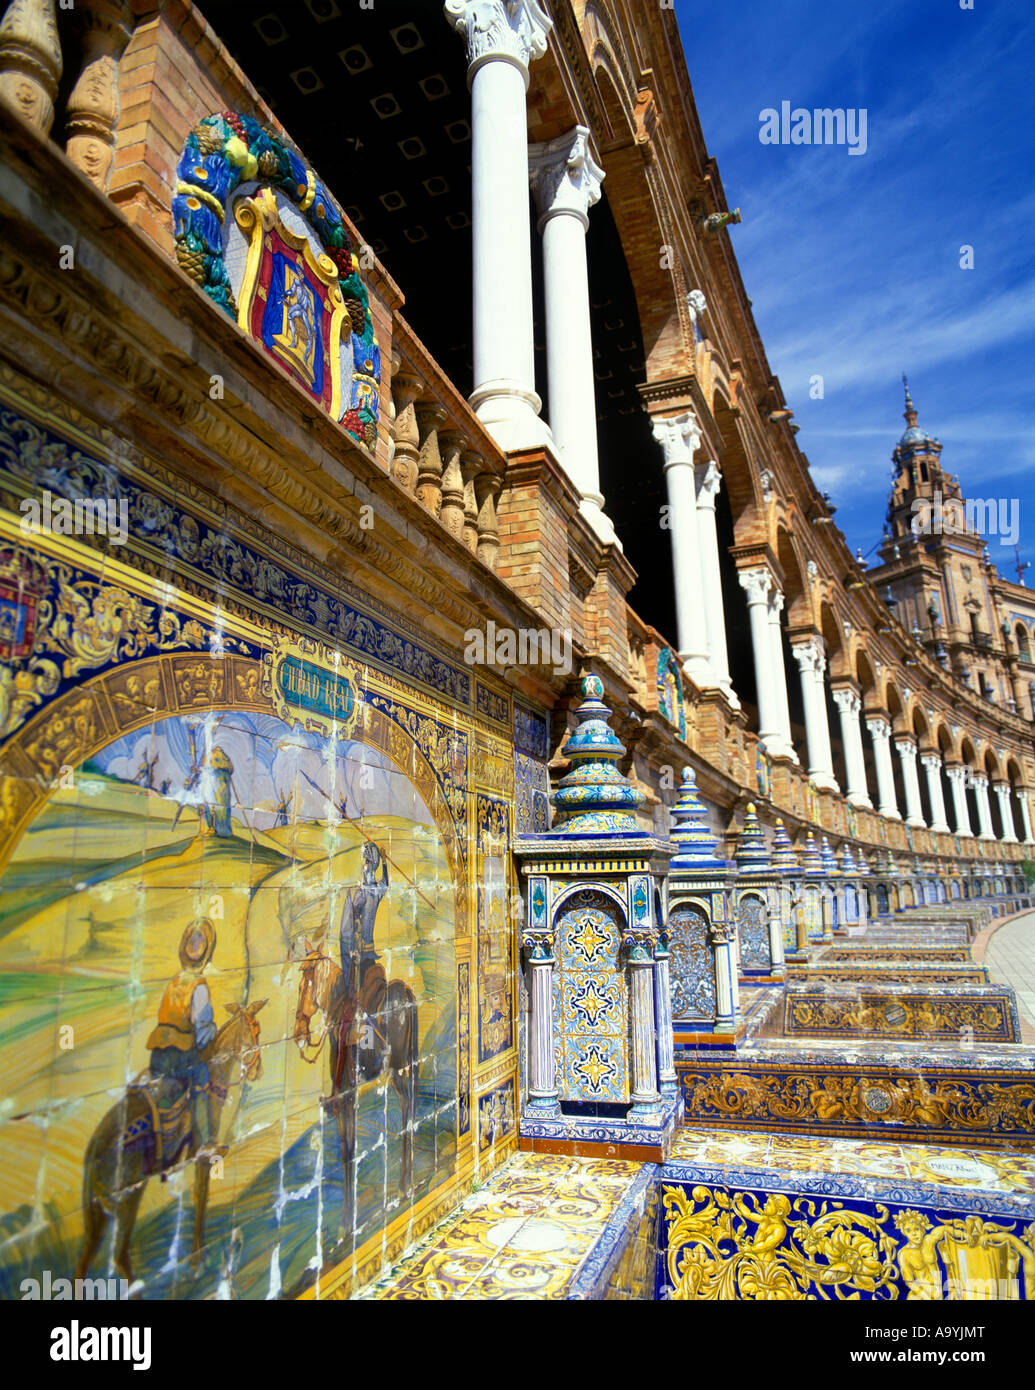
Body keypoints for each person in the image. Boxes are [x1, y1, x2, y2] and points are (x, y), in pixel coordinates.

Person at [147, 918, 220, 1158]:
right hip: (180, 1057)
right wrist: (213, 1032)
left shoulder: (175, 981)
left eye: (200, 939)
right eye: (194, 938)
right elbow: (201, 1035)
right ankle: (205, 1144)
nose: (196, 943)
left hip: (158, 1055)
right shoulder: (198, 985)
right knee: (203, 1076)